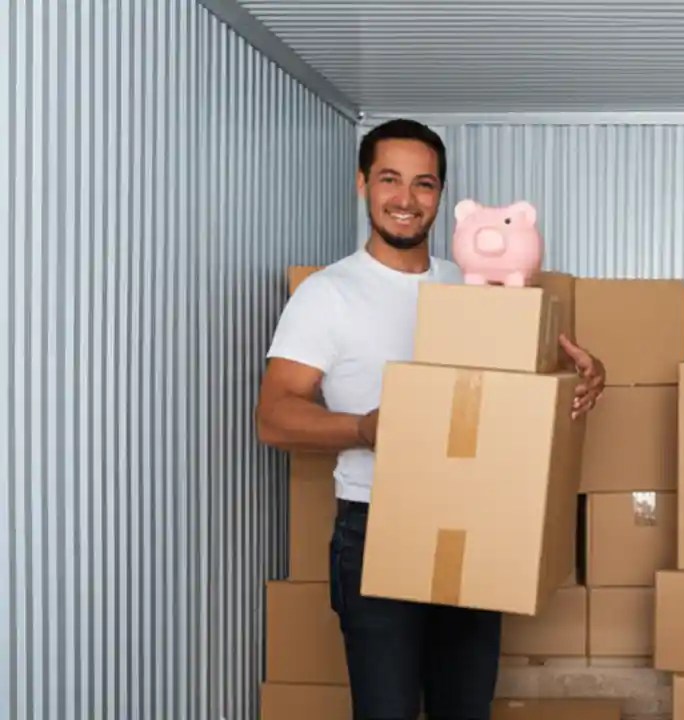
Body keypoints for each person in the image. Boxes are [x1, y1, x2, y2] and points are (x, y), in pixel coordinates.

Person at [255, 118, 607, 720]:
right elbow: (275, 416)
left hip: (474, 522)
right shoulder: (328, 294)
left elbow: (518, 385)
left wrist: (584, 376)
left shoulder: (473, 283)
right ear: (363, 184)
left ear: (442, 196)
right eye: (390, 179)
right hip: (374, 525)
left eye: (424, 184)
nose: (406, 199)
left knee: (464, 708)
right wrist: (365, 428)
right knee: (386, 711)